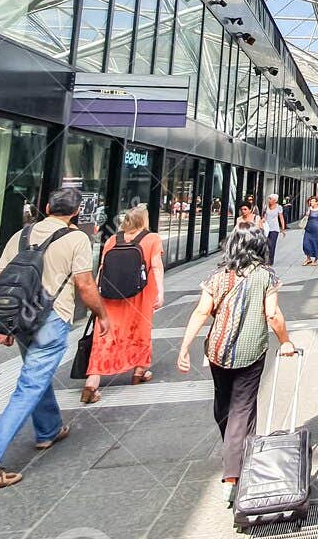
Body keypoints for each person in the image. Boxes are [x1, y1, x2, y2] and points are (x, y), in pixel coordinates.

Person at [0, 187, 107, 491]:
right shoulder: (76, 238)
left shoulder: (21, 235)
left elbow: (4, 278)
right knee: (29, 386)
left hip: (21, 317)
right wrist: (102, 315)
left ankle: (49, 429)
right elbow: (85, 284)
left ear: (46, 206)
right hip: (52, 318)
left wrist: (5, 325)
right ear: (76, 212)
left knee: (34, 375)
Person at [176, 227, 297, 504]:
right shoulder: (266, 277)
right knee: (242, 407)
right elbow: (273, 314)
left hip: (218, 350)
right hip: (250, 351)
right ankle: (232, 474)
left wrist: (185, 347)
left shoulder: (217, 277)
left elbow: (201, 311)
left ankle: (242, 451)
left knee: (224, 403)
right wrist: (285, 341)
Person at [82, 205, 164, 405]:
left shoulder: (112, 240)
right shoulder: (152, 239)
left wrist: (98, 295)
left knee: (104, 335)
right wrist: (161, 292)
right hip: (141, 293)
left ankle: (93, 380)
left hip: (111, 295)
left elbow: (102, 268)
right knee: (140, 329)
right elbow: (157, 266)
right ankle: (139, 370)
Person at [260, 193, 285, 264]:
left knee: (272, 245)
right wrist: (262, 221)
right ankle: (264, 259)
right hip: (266, 228)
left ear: (275, 200)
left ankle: (270, 261)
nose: (269, 200)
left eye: (270, 199)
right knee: (265, 244)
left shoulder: (278, 207)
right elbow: (263, 216)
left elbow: (281, 218)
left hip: (275, 228)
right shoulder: (266, 207)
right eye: (269, 198)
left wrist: (283, 229)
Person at [302, 195, 318, 266]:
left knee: (316, 243)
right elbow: (306, 216)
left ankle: (315, 260)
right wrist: (308, 211)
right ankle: (308, 258)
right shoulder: (310, 209)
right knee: (306, 243)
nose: (311, 202)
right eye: (310, 201)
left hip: (317, 229)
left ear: (317, 202)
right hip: (308, 229)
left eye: (313, 201)